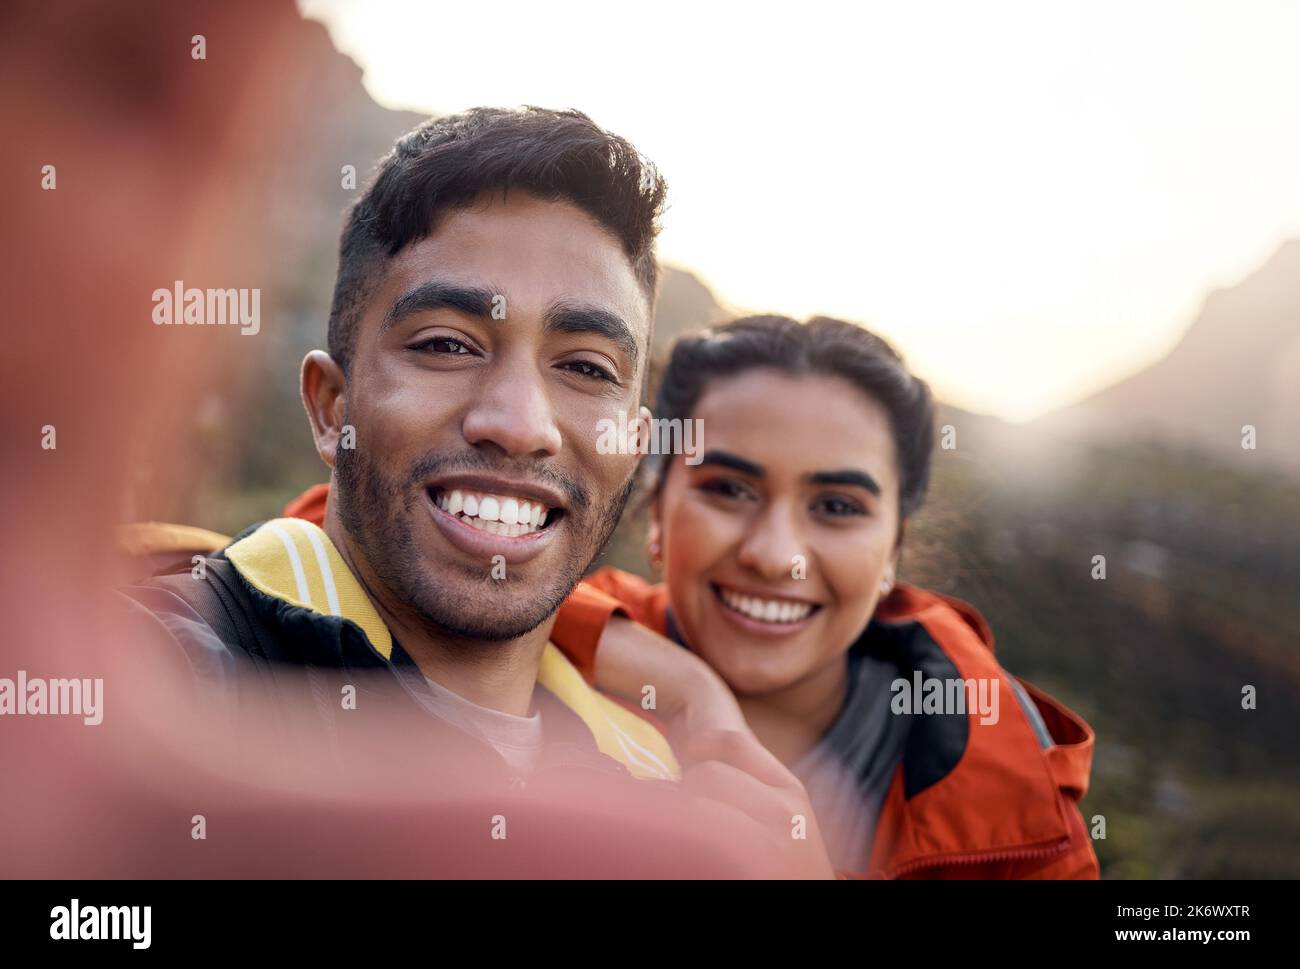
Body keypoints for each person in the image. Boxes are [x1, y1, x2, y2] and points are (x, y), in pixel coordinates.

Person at [120, 108, 834, 878]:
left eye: (587, 368)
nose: (520, 425)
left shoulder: (660, 783)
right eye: (446, 346)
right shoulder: (151, 690)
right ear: (332, 407)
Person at [284, 314, 1100, 878]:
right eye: (729, 489)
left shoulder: (1015, 803)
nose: (777, 553)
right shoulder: (536, 637)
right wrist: (682, 686)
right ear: (655, 512)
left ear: (894, 552)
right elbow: (340, 527)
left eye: (838, 507)